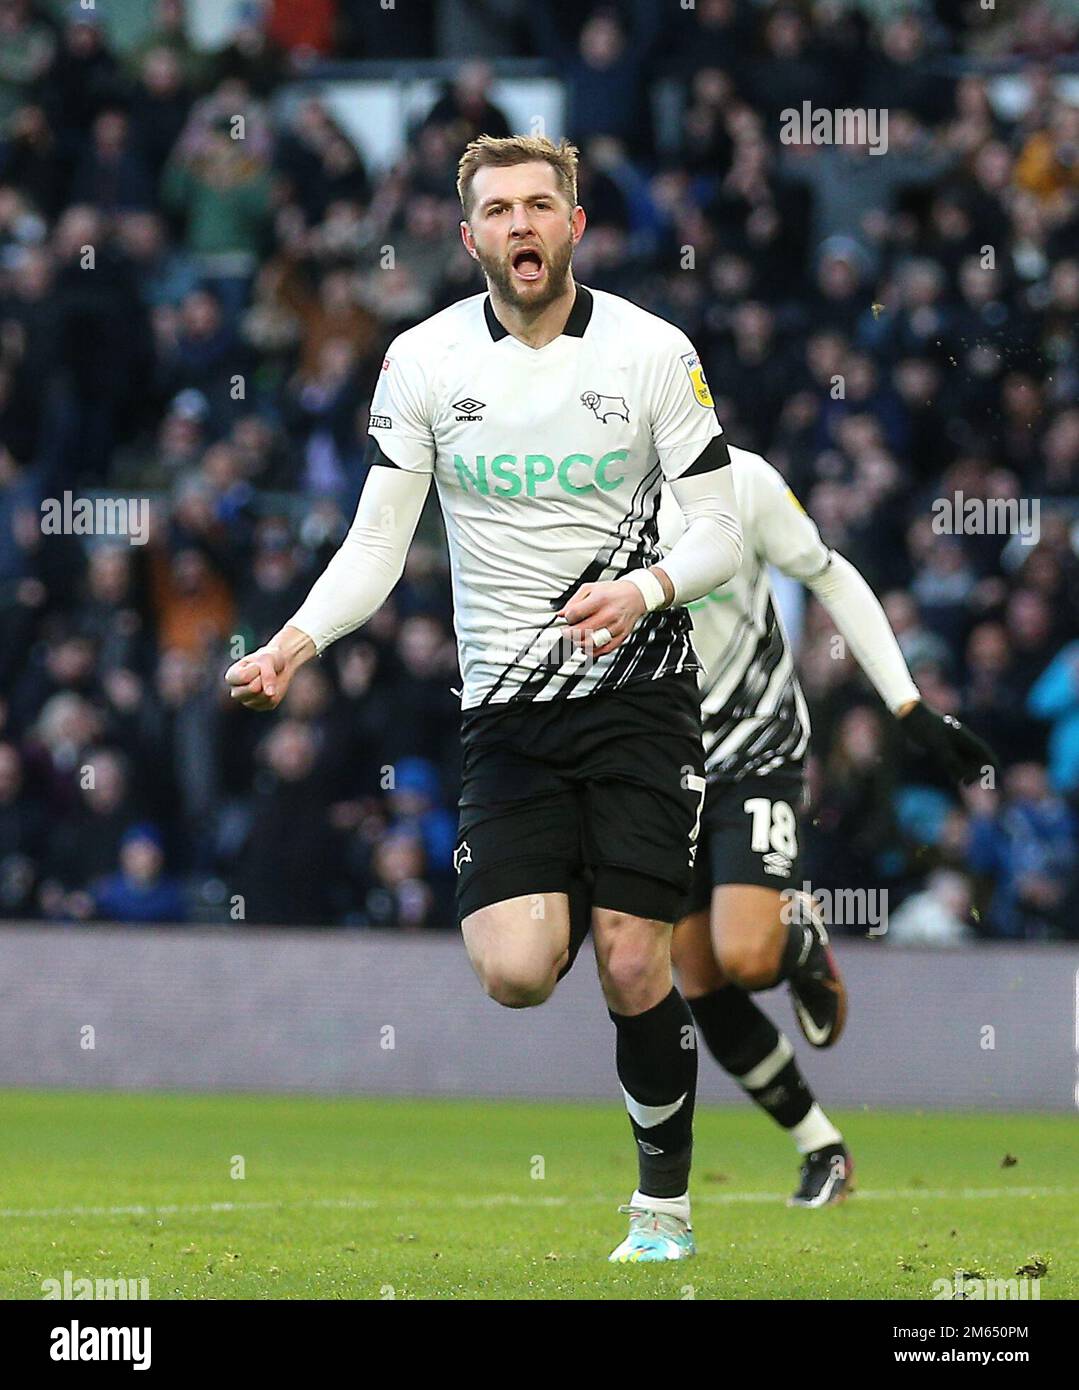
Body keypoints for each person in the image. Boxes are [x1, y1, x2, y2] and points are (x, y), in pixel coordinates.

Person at [225, 133, 744, 1262]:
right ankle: (564, 901)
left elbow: (721, 528)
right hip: (506, 710)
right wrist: (294, 643)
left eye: (538, 205)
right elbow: (376, 541)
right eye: (497, 210)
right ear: (467, 238)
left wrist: (645, 586)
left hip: (641, 692)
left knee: (631, 957)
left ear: (575, 226)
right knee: (515, 970)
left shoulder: (654, 352)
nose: (520, 224)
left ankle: (660, 1210)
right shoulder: (420, 360)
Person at [661, 446, 997, 1205]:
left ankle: (798, 933)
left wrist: (905, 702)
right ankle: (822, 1148)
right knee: (697, 975)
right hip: (657, 769)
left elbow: (828, 571)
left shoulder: (739, 480)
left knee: (745, 957)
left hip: (754, 746)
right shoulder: (586, 496)